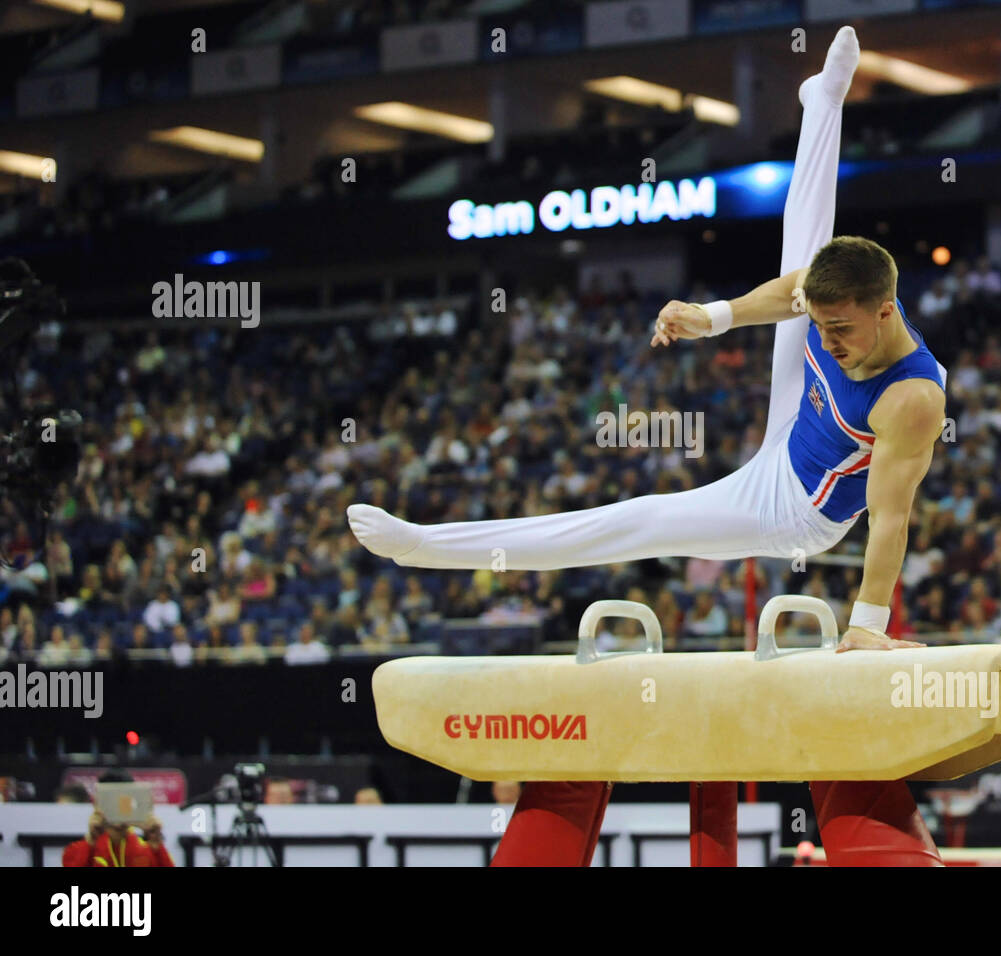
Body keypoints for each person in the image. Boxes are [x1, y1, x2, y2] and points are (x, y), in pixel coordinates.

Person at [347, 28, 945, 867]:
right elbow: (793, 291)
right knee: (799, 245)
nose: (834, 341)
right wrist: (712, 317)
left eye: (843, 331)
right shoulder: (827, 312)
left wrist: (869, 625)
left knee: (639, 518)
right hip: (793, 428)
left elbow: (890, 519)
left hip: (794, 508)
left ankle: (428, 552)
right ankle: (822, 105)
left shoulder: (912, 397)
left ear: (887, 314)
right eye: (825, 325)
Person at [62, 770, 174, 867]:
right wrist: (91, 844)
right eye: (112, 799)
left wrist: (157, 847)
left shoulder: (148, 848)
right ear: (97, 802)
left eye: (123, 798)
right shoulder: (78, 850)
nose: (118, 804)